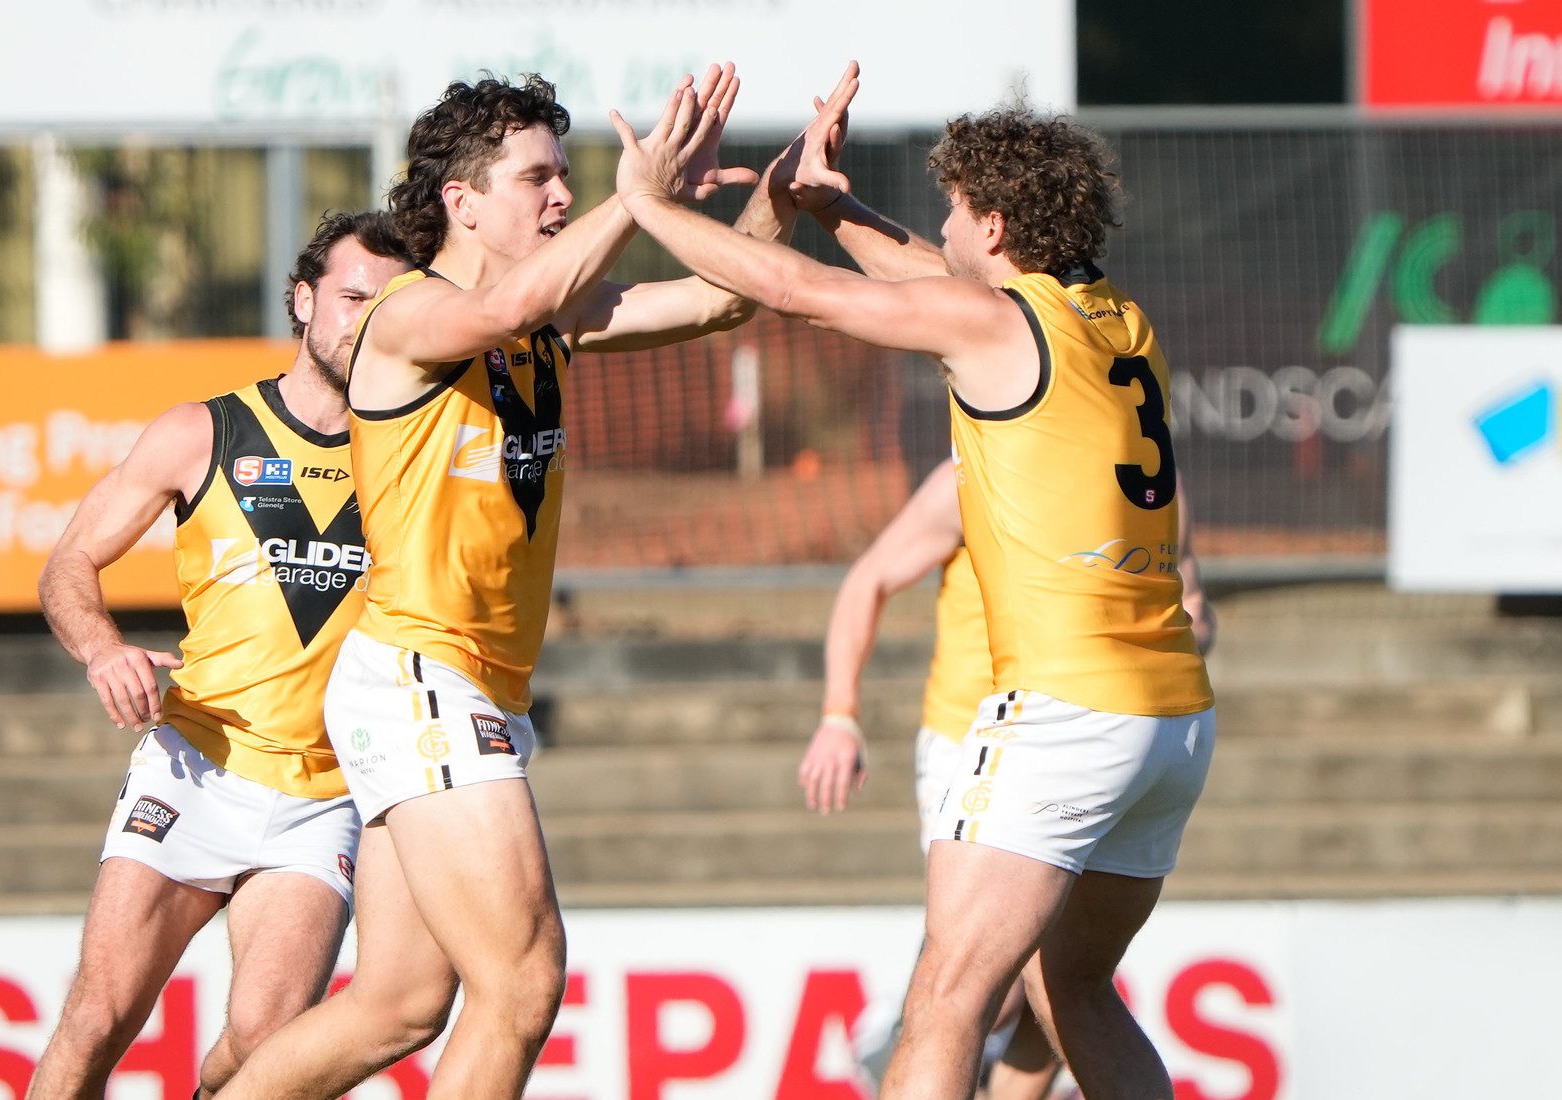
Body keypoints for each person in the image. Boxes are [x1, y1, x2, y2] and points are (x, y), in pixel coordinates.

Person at [617, 64, 1217, 1100]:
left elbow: (793, 291)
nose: (937, 223)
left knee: (942, 999)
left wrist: (645, 205)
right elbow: (927, 278)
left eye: (951, 207)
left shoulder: (994, 326)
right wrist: (830, 201)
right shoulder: (1116, 319)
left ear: (990, 225)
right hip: (1169, 718)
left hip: (1062, 714)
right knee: (1076, 989)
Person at [216, 66, 789, 1100]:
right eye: (539, 178)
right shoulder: (404, 314)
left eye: (567, 176)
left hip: (461, 686)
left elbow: (720, 298)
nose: (561, 194)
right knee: (522, 981)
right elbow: (516, 298)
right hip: (418, 676)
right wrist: (640, 194)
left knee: (397, 1003)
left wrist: (774, 207)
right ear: (461, 200)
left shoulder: (549, 314)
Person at [27, 211, 414, 1100]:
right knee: (96, 1019)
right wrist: (103, 651)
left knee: (267, 1046)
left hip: (324, 797)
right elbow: (68, 565)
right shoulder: (203, 433)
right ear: (303, 298)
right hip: (196, 768)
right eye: (353, 298)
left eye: (388, 305)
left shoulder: (408, 452)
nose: (366, 321)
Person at [800, 461, 1214, 1100]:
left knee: (1060, 980)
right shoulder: (986, 464)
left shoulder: (1149, 469)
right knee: (998, 979)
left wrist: (1186, 627)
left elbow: (1186, 596)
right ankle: (893, 1036)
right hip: (973, 736)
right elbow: (870, 577)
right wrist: (838, 714)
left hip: (1090, 730)